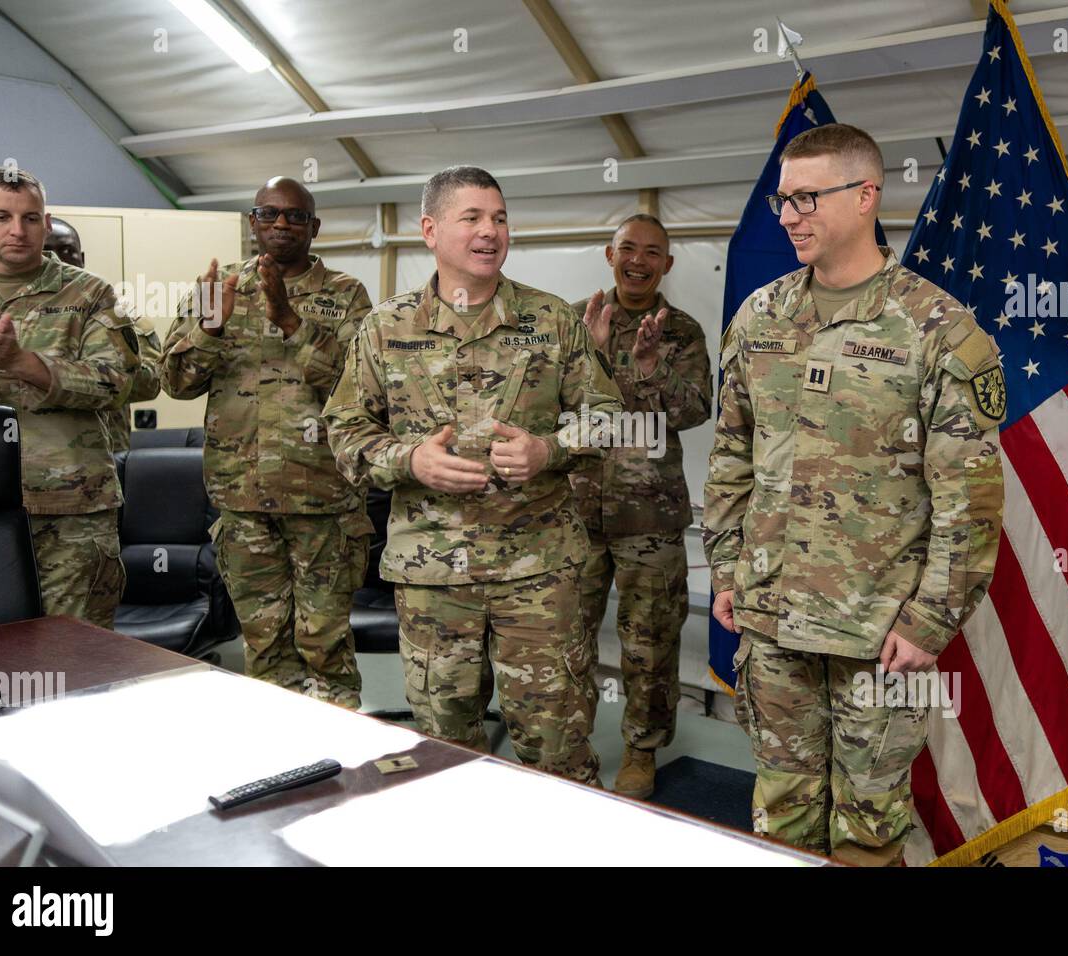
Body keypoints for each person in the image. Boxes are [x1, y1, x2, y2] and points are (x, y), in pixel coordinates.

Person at [703, 124, 1007, 865]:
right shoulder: (759, 318)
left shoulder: (939, 330)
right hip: (772, 620)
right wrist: (724, 566)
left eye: (806, 197)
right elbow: (732, 454)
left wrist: (931, 619)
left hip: (881, 631)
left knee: (870, 826)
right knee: (781, 811)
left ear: (867, 195)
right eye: (783, 200)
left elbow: (969, 500)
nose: (789, 216)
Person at [324, 165, 622, 783]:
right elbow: (345, 432)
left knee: (556, 744)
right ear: (430, 230)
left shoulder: (552, 321)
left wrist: (549, 450)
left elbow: (609, 419)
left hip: (538, 572)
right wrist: (411, 460)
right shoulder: (384, 328)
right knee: (443, 749)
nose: (491, 231)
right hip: (433, 576)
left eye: (501, 217)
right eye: (473, 218)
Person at [160, 176, 373, 709]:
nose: (281, 224)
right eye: (269, 214)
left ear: (314, 227)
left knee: (324, 643)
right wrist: (209, 328)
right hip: (243, 502)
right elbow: (176, 382)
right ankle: (282, 759)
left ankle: (339, 755)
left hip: (323, 502)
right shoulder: (217, 289)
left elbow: (362, 388)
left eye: (295, 216)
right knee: (263, 644)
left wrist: (288, 318)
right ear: (252, 222)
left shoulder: (347, 294)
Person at [571, 214, 712, 797]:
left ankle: (640, 749)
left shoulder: (681, 331)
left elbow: (695, 409)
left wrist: (651, 368)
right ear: (610, 254)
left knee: (650, 642)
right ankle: (566, 741)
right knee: (565, 637)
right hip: (576, 512)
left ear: (667, 265)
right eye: (628, 248)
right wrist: (596, 355)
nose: (638, 260)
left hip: (649, 517)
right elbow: (553, 401)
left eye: (652, 252)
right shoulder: (577, 320)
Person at [0, 167, 138, 628]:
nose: (17, 230)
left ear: (46, 220)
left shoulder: (90, 294)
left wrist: (24, 363)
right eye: (0, 216)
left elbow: (119, 381)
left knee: (77, 655)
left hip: (72, 507)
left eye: (31, 218)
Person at [44, 216, 161, 451]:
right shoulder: (15, 314)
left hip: (103, 455)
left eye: (67, 250)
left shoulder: (118, 312)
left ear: (82, 258)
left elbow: (150, 382)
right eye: (47, 252)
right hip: (34, 453)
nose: (58, 260)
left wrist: (70, 373)